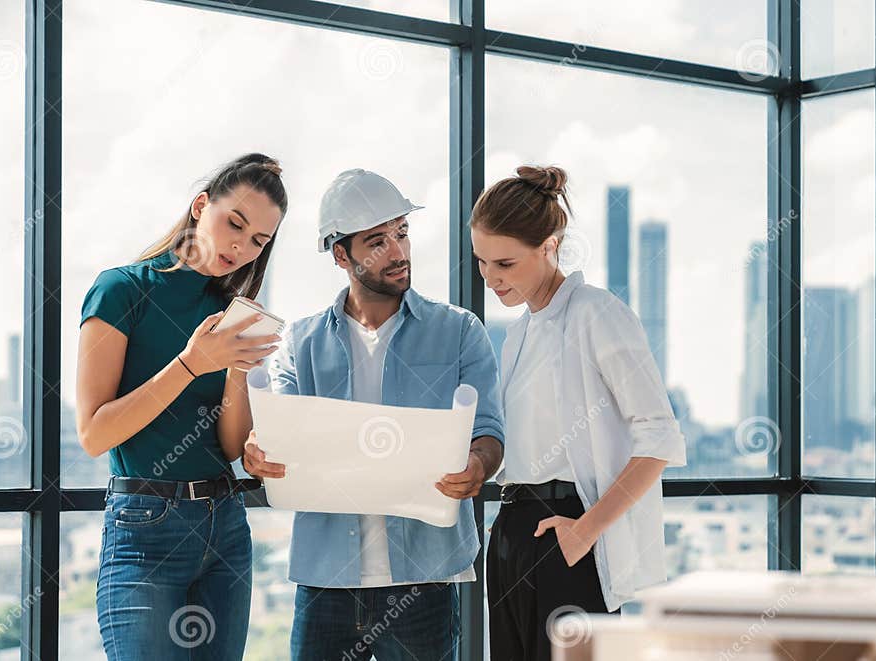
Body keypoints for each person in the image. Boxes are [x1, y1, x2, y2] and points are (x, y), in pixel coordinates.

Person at [243, 168, 504, 661]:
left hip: (422, 582)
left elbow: (488, 430)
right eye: (377, 242)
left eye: (402, 234)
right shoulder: (300, 343)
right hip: (325, 582)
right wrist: (258, 451)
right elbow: (276, 429)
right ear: (341, 255)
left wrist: (478, 466)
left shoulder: (460, 331)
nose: (398, 252)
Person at [470, 165, 687, 661]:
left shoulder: (596, 312)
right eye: (482, 261)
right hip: (511, 531)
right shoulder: (519, 332)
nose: (490, 278)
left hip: (567, 536)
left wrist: (583, 531)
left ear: (549, 246)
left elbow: (659, 438)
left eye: (505, 263)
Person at [77, 153, 288, 660]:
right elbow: (94, 434)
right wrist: (193, 363)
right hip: (144, 531)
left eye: (259, 241)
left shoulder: (227, 313)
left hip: (227, 527)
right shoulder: (120, 289)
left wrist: (237, 368)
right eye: (234, 223)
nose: (241, 247)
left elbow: (232, 445)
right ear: (200, 207)